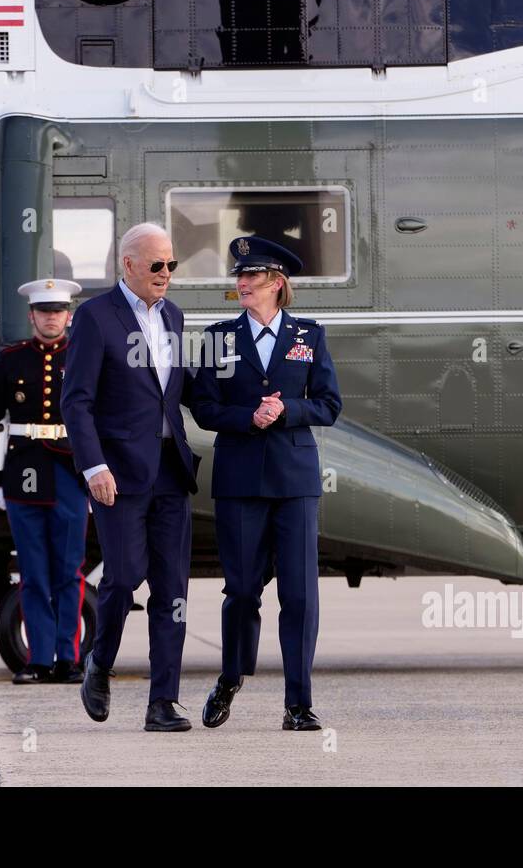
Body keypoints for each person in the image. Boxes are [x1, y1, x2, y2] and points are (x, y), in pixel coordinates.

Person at [191, 236, 342, 731]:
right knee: (241, 591)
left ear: (277, 283)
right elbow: (204, 405)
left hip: (294, 480)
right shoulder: (219, 338)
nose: (243, 285)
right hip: (240, 480)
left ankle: (298, 702)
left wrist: (287, 411)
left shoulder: (309, 335)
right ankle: (230, 676)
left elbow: (328, 404)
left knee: (300, 595)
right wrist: (247, 416)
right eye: (239, 277)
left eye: (252, 277)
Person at [61, 222, 199, 732]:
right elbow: (76, 401)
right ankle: (100, 661)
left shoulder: (174, 317)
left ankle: (163, 702)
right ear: (129, 265)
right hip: (117, 474)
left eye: (172, 265)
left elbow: (178, 392)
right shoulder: (96, 318)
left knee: (172, 590)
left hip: (170, 470)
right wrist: (94, 465)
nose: (166, 274)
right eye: (157, 265)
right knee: (123, 577)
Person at [0, 278, 88, 685]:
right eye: (44, 312)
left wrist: (97, 474)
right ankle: (38, 660)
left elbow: (99, 420)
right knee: (34, 572)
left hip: (70, 471)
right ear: (32, 316)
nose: (51, 318)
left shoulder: (82, 358)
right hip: (23, 471)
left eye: (57, 311)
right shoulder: (10, 361)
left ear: (68, 315)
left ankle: (68, 659)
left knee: (69, 570)